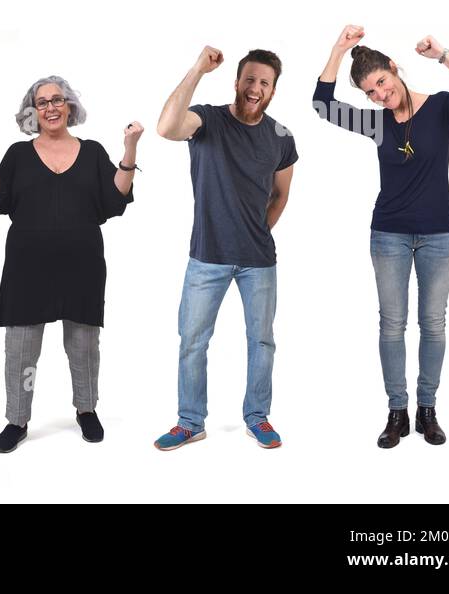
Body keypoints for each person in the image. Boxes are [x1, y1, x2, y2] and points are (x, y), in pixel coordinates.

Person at [313, 26, 449, 448]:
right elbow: (322, 105)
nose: (379, 95)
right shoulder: (377, 125)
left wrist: (443, 55)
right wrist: (339, 49)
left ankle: (426, 411)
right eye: (370, 92)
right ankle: (397, 411)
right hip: (389, 236)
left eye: (381, 82)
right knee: (391, 325)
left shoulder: (441, 109)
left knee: (433, 324)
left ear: (394, 69)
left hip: (438, 234)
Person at [0, 75, 141, 453]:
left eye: (57, 100)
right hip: (27, 270)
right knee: (21, 352)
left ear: (69, 106)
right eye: (42, 102)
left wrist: (130, 147)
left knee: (83, 347)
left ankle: (86, 409)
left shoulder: (93, 152)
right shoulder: (18, 154)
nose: (50, 107)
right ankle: (17, 418)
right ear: (33, 110)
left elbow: (116, 199)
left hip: (82, 268)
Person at [154, 47, 298, 451]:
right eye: (249, 80)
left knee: (262, 341)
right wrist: (197, 67)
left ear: (272, 90)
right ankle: (189, 422)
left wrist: (255, 232)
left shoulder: (282, 136)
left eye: (264, 83)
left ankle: (257, 417)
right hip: (207, 256)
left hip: (259, 261)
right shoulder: (207, 119)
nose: (255, 88)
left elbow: (281, 195)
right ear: (237, 82)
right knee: (193, 340)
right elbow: (166, 127)